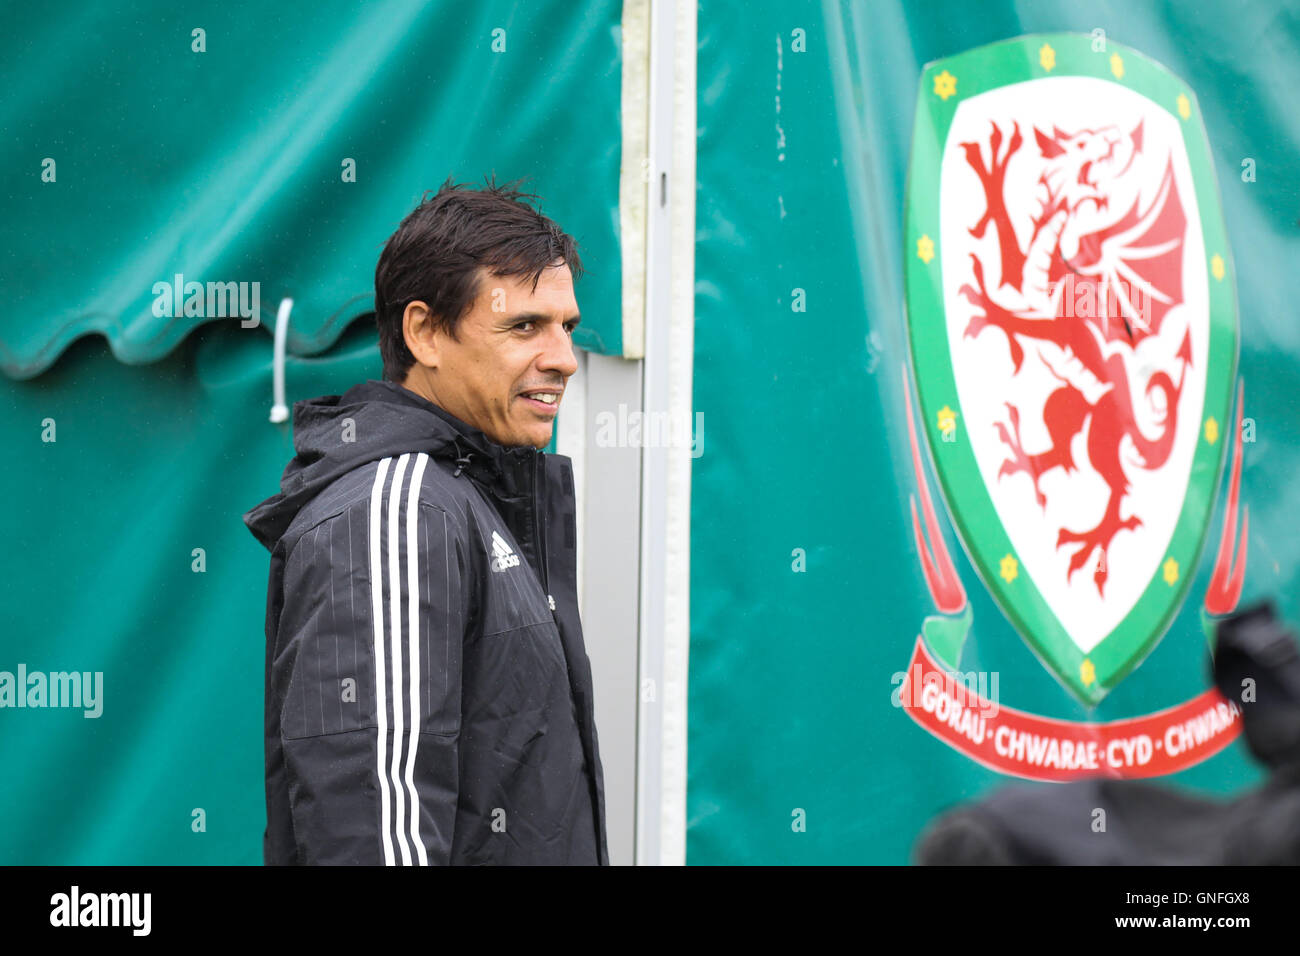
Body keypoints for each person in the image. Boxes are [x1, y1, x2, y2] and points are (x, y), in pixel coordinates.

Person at [243, 176, 608, 865]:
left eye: (566, 327)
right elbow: (375, 837)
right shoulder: (398, 512)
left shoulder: (465, 496)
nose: (562, 357)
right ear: (425, 333)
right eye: (523, 325)